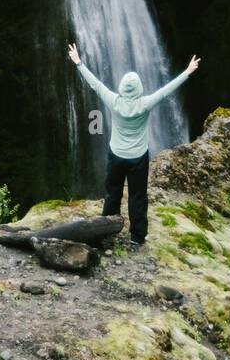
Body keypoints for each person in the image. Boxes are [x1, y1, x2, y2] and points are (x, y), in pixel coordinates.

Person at [67, 43, 200, 245]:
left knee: (113, 193)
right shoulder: (145, 104)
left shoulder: (113, 101)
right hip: (138, 157)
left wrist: (78, 62)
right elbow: (165, 91)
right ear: (139, 89)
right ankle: (137, 236)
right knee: (137, 197)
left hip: (116, 155)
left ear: (121, 88)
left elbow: (95, 84)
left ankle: (107, 230)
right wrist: (187, 72)